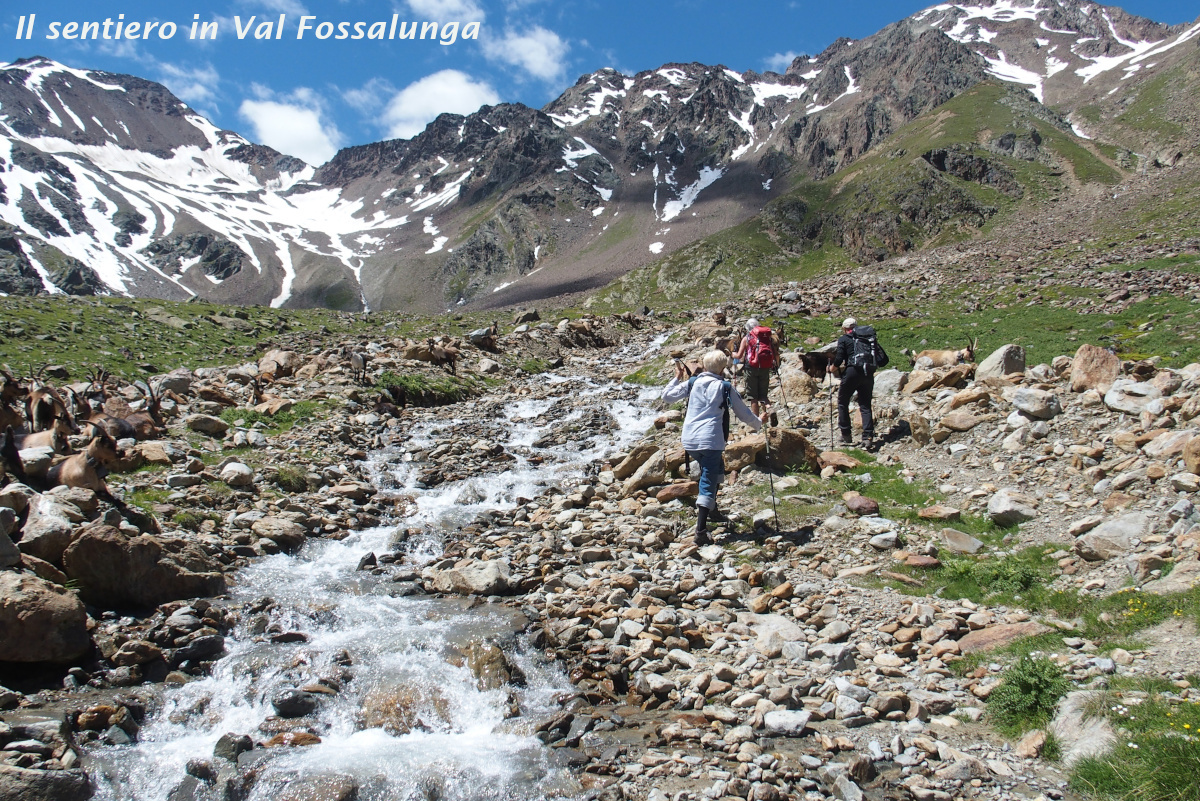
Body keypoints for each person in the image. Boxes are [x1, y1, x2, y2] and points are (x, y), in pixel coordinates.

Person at [663, 350, 767, 544]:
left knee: (716, 468)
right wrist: (759, 422)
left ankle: (713, 510)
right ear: (722, 369)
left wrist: (677, 377)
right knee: (708, 481)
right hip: (710, 440)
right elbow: (743, 414)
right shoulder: (724, 387)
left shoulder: (693, 382)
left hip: (690, 440)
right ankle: (701, 531)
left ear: (704, 366)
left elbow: (667, 396)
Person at [828, 317, 887, 449]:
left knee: (843, 402)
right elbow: (883, 359)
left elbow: (839, 358)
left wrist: (832, 368)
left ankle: (846, 434)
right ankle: (867, 437)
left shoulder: (844, 339)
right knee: (865, 405)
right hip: (868, 373)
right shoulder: (868, 338)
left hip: (852, 372)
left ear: (844, 329)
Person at [733, 318, 779, 423]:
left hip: (751, 368)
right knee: (763, 395)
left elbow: (739, 356)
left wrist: (732, 354)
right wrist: (776, 365)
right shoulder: (767, 338)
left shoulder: (747, 338)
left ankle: (756, 421)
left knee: (753, 396)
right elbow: (776, 354)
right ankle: (770, 409)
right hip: (765, 368)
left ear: (747, 328)